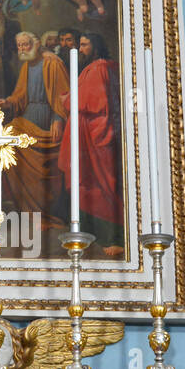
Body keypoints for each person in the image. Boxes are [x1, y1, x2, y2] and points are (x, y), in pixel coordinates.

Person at [59, 31, 124, 256]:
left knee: (98, 184)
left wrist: (66, 99)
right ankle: (88, 231)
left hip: (96, 135)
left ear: (95, 46)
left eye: (85, 45)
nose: (81, 49)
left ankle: (109, 236)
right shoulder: (107, 66)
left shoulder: (98, 68)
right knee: (87, 183)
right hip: (91, 132)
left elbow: (90, 101)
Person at [0, 32, 70, 226]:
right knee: (8, 141)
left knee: (42, 164)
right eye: (19, 45)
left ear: (36, 44)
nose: (22, 49)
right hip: (28, 115)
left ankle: (41, 209)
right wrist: (7, 102)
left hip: (47, 116)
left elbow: (63, 95)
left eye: (26, 45)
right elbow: (19, 96)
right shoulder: (26, 66)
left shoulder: (53, 64)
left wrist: (58, 119)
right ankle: (26, 207)